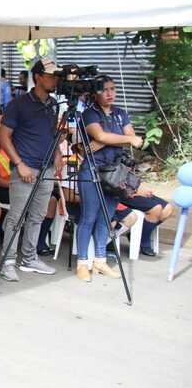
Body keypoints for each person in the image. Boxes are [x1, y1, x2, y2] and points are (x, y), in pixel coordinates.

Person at [0, 58, 63, 281]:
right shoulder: (19, 104)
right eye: (51, 76)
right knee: (16, 217)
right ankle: (7, 261)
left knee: (37, 215)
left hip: (46, 168)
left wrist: (57, 153)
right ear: (38, 77)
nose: (55, 80)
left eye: (57, 76)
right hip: (25, 167)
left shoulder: (53, 104)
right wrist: (19, 164)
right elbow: (3, 137)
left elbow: (52, 133)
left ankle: (29, 258)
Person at [75, 75, 143, 282]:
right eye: (104, 89)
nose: (110, 93)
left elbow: (133, 140)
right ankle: (82, 263)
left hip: (116, 172)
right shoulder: (89, 113)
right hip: (92, 170)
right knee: (88, 217)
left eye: (112, 89)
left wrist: (105, 140)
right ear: (95, 93)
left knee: (106, 216)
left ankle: (100, 261)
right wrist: (112, 139)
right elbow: (103, 136)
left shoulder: (120, 113)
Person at [120, 189, 173, 257]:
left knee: (167, 209)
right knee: (156, 208)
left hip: (133, 189)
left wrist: (141, 189)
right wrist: (136, 191)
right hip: (122, 193)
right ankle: (143, 241)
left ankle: (141, 234)